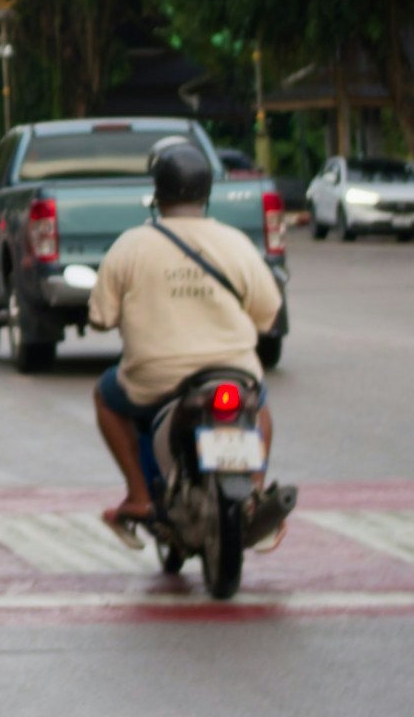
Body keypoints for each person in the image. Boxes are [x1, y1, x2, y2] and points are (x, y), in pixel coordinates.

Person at [89, 138, 292, 546]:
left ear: (157, 193)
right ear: (207, 192)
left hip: (155, 379)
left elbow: (100, 317)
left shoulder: (130, 245)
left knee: (105, 397)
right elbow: (269, 314)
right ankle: (253, 491)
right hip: (232, 373)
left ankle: (140, 495)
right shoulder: (236, 243)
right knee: (261, 406)